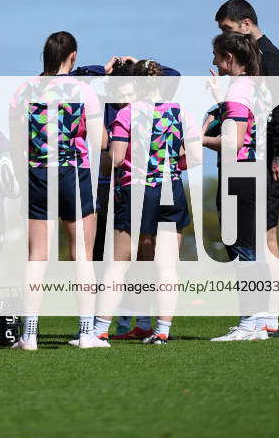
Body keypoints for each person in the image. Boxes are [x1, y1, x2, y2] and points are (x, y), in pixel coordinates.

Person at [12, 32, 116, 350]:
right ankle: (87, 333)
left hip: (37, 173)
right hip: (75, 172)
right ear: (72, 56)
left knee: (36, 256)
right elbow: (100, 143)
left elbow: (17, 140)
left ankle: (28, 335)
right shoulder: (83, 90)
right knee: (81, 255)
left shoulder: (24, 89)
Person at [215, 0, 279, 338]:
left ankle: (267, 317)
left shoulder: (270, 57)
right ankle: (262, 317)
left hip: (263, 160)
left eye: (227, 30)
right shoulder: (250, 61)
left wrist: (278, 151)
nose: (225, 38)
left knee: (263, 237)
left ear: (246, 24)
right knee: (255, 237)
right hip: (252, 158)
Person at [106, 60, 191, 346]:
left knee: (119, 264)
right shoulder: (178, 112)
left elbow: (116, 159)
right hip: (172, 189)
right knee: (166, 267)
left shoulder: (127, 114)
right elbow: (188, 157)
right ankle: (162, 330)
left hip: (138, 191)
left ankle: (99, 328)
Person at [203, 31, 267, 342]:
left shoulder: (240, 91)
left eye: (217, 56)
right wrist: (219, 98)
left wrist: (199, 138)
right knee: (246, 247)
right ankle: (255, 322)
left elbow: (233, 142)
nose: (214, 61)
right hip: (248, 171)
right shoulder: (246, 87)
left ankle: (250, 324)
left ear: (229, 58)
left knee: (242, 248)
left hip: (239, 173)